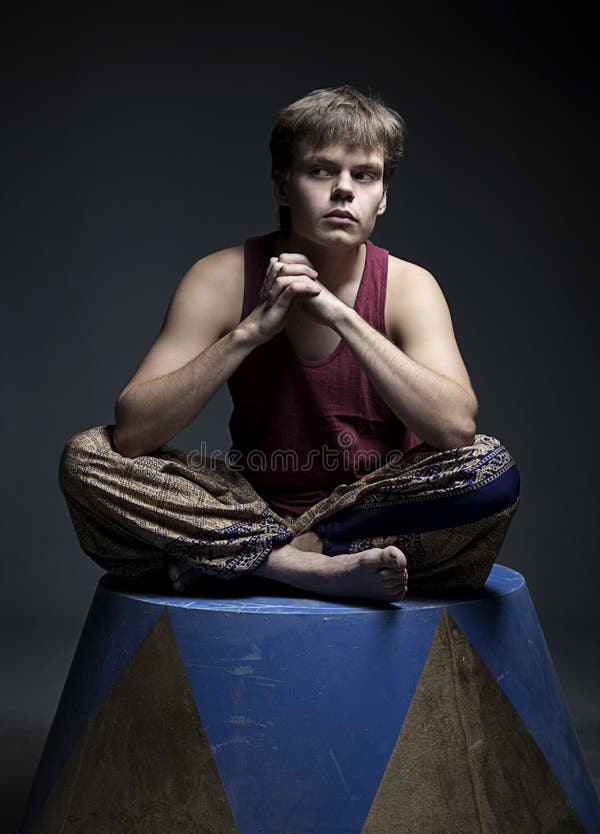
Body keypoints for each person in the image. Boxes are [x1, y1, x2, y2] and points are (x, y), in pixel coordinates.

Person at [58, 85, 520, 602]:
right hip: (248, 504)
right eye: (321, 171)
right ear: (282, 184)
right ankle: (291, 563)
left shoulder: (410, 287)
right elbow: (133, 434)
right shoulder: (220, 278)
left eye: (364, 175)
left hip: (372, 511)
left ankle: (263, 556)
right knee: (87, 458)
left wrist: (343, 317)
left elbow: (456, 430)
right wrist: (249, 332)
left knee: (490, 469)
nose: (344, 190)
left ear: (383, 196)